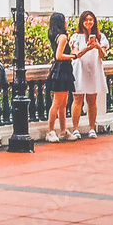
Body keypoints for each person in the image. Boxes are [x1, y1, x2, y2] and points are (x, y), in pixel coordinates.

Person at [69, 10, 109, 139]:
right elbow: (75, 55)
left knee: (92, 100)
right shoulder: (76, 37)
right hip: (80, 70)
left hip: (93, 69)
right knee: (78, 99)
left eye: (91, 19)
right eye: (86, 20)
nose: (89, 22)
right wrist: (87, 48)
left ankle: (92, 127)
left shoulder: (100, 37)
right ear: (82, 22)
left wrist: (97, 46)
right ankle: (75, 128)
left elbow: (103, 55)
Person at [45, 12, 75, 142]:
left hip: (60, 70)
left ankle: (63, 130)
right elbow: (59, 55)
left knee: (63, 103)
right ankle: (51, 131)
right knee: (58, 103)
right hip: (62, 69)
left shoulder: (55, 36)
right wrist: (73, 56)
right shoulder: (62, 37)